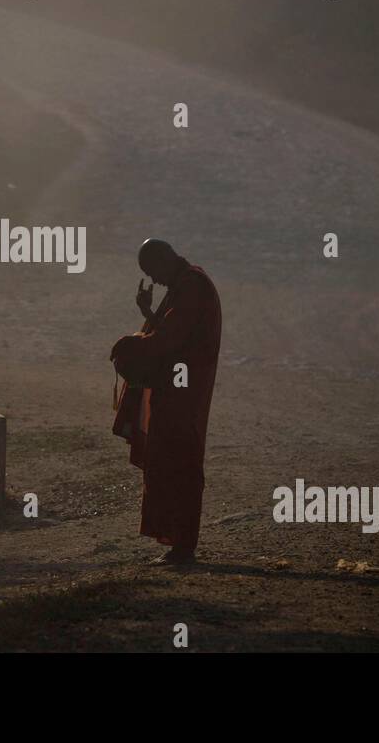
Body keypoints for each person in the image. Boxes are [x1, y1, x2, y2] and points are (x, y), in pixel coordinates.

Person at [111, 239, 222, 566]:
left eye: (152, 272)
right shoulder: (184, 284)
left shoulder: (192, 286)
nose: (155, 281)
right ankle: (178, 543)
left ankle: (183, 547)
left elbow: (170, 341)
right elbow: (173, 335)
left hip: (183, 393)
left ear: (164, 260)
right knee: (168, 461)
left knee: (180, 464)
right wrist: (148, 313)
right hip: (176, 390)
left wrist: (129, 345)